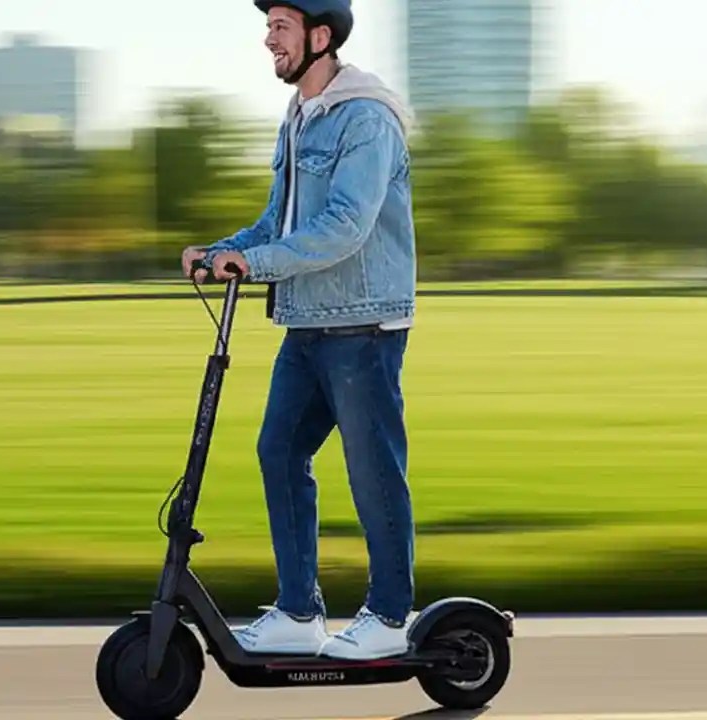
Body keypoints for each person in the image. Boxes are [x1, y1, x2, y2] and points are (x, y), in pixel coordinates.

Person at [180, 0, 417, 660]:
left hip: (363, 327)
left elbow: (345, 227)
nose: (267, 40)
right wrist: (218, 250)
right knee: (278, 452)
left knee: (373, 472)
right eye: (268, 28)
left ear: (320, 36)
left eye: (279, 28)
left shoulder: (366, 120)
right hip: (307, 324)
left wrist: (250, 264)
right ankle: (298, 612)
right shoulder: (299, 119)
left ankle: (392, 617)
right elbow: (278, 225)